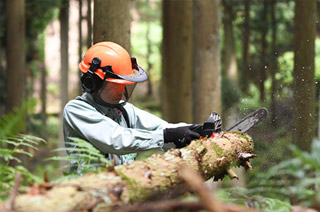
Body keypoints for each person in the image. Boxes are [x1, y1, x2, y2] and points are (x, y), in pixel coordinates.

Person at [63, 41, 217, 171]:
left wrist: (196, 131)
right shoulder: (76, 110)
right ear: (93, 83)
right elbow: (116, 140)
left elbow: (163, 129)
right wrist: (165, 135)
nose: (121, 91)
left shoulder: (123, 110)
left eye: (124, 85)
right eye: (116, 85)